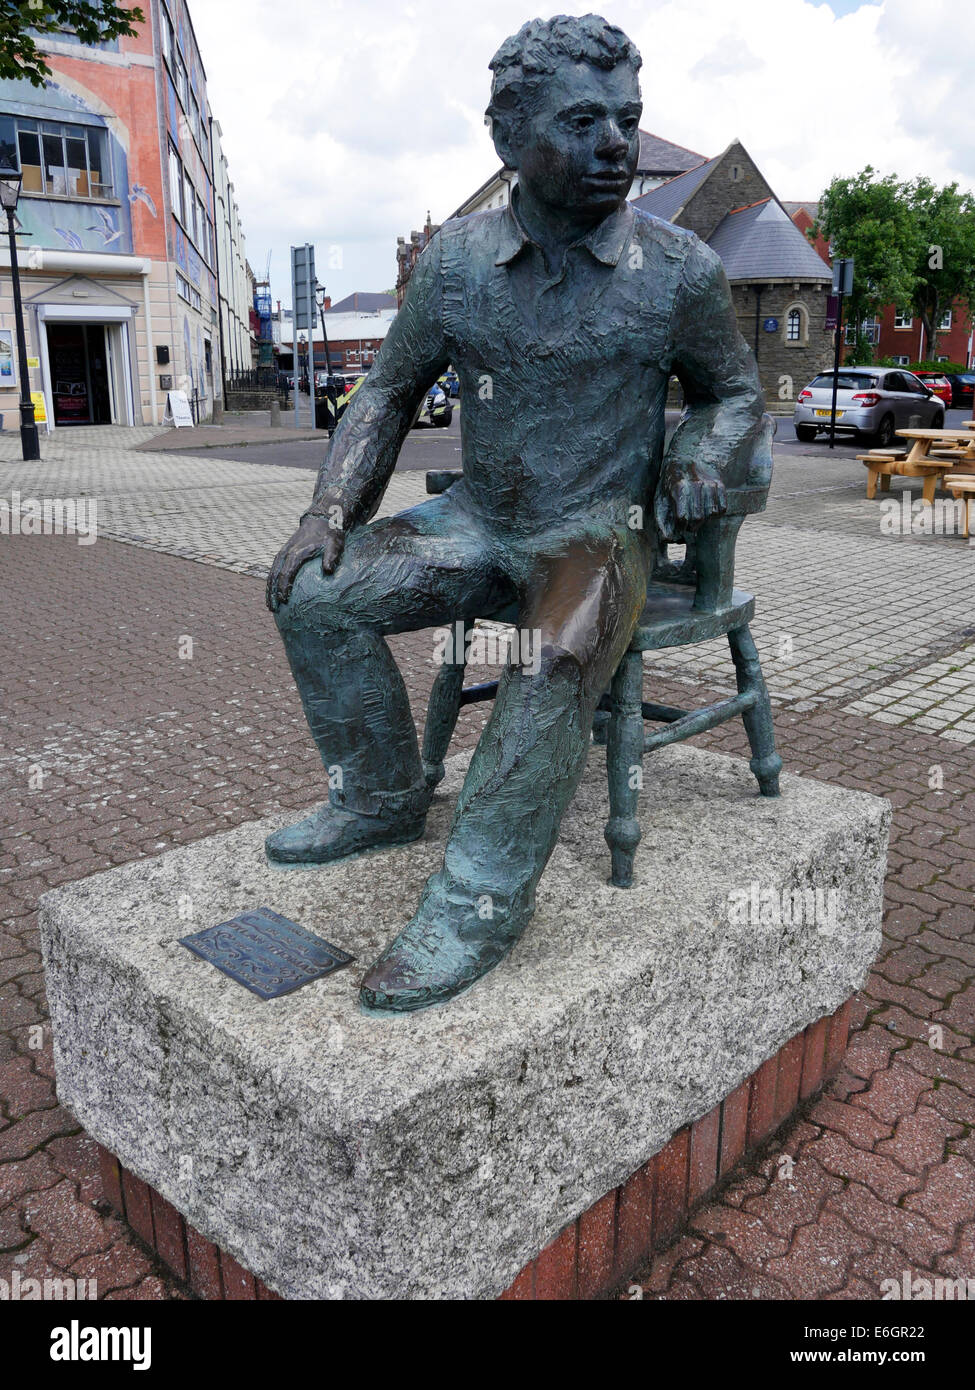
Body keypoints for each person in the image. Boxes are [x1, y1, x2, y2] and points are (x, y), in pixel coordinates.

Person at [265, 14, 767, 1013]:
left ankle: (481, 895)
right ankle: (379, 797)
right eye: (584, 122)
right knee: (315, 592)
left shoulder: (680, 273)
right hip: (477, 523)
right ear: (507, 138)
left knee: (554, 650)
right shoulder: (452, 265)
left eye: (626, 119)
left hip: (601, 537)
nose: (617, 145)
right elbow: (385, 394)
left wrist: (704, 452)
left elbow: (737, 393)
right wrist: (332, 505)